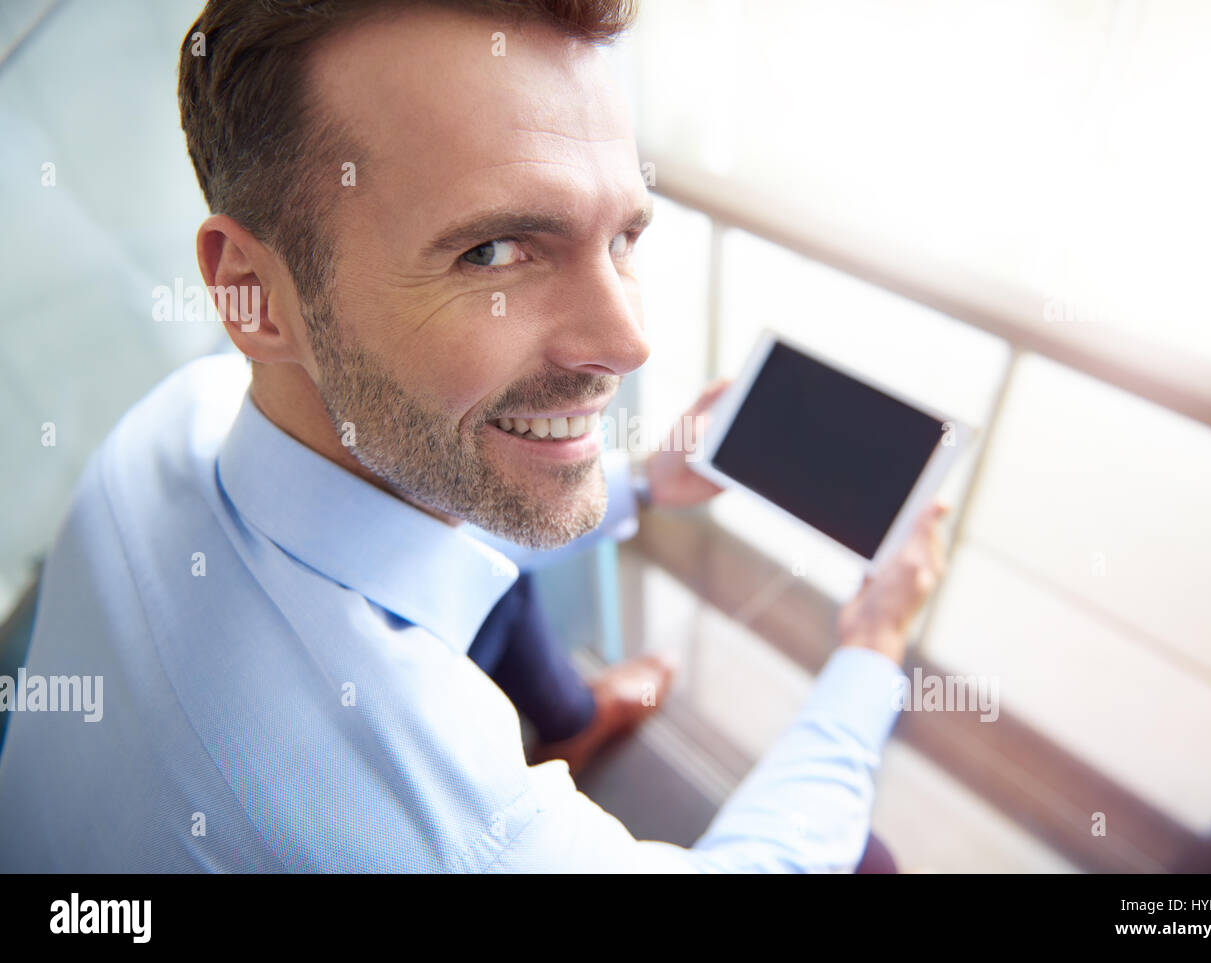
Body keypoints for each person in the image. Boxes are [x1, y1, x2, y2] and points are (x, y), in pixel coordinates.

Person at [0, 0, 948, 872]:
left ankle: (575, 720)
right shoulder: (442, 839)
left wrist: (644, 483)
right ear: (252, 292)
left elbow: (395, 517)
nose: (627, 344)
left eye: (624, 236)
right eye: (492, 251)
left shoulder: (175, 419)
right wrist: (871, 648)